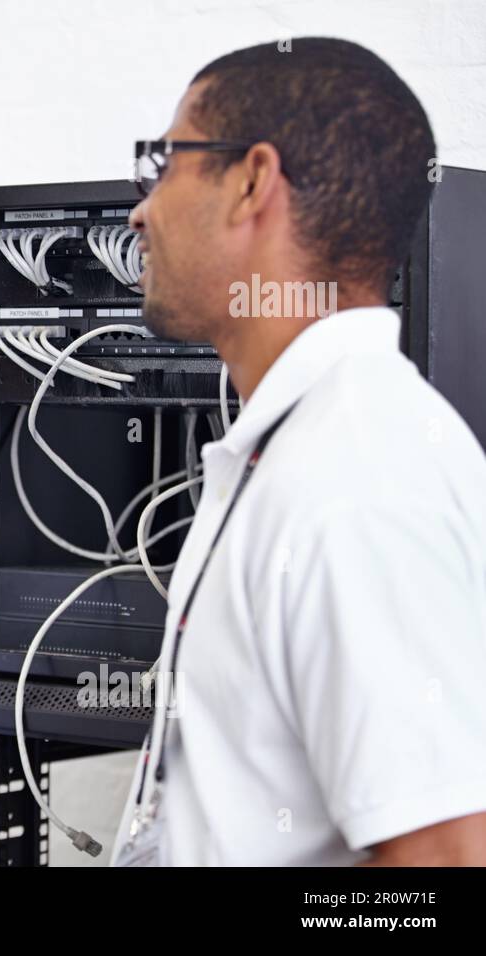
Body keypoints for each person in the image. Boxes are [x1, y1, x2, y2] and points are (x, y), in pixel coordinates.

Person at [113, 38, 486, 866]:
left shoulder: (360, 476)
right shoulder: (302, 449)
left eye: (166, 163)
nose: (141, 209)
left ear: (251, 182)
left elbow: (442, 863)